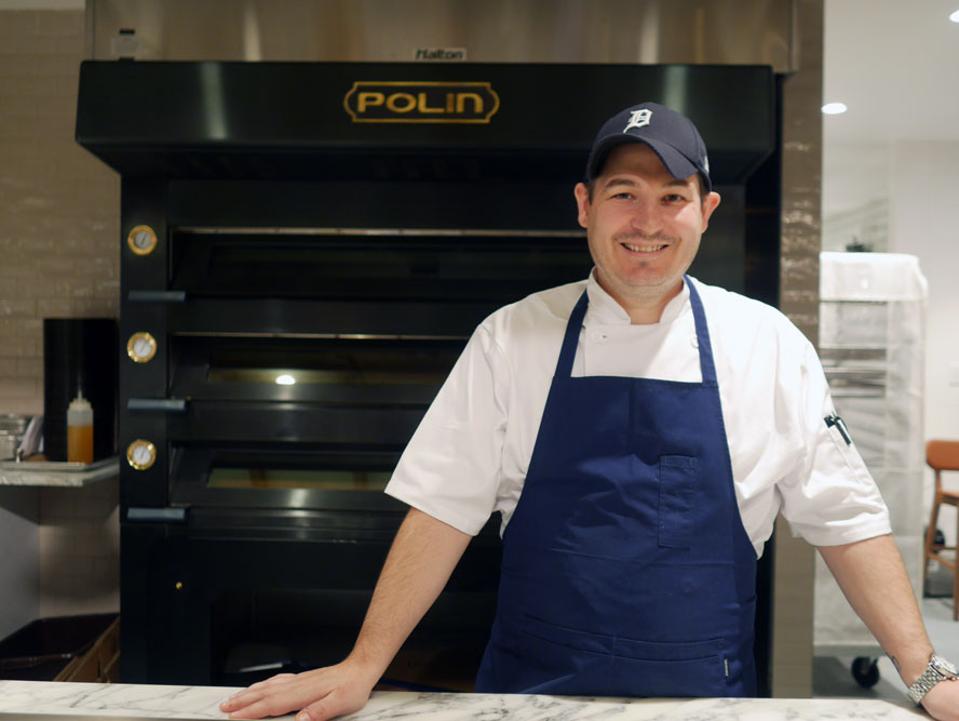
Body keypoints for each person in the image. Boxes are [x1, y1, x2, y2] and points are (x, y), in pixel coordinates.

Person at [221, 103, 959, 721]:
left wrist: (926, 675)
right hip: (527, 695)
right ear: (584, 205)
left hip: (703, 700)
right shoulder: (512, 335)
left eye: (671, 196)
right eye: (623, 192)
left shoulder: (765, 343)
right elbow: (441, 508)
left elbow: (845, 521)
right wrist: (363, 663)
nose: (647, 220)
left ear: (705, 212)